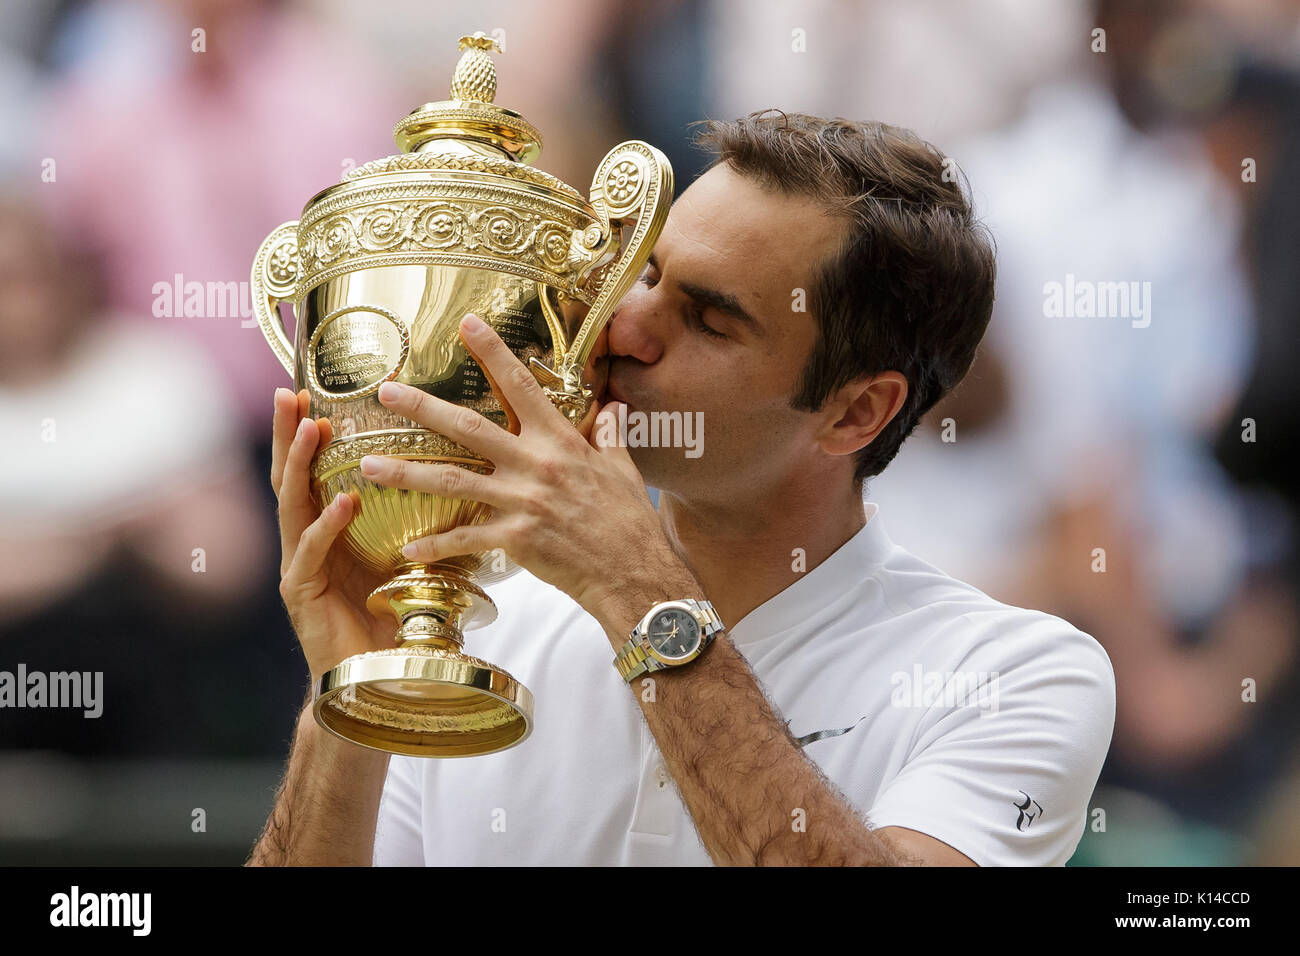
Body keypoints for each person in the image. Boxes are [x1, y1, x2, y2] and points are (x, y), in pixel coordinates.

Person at [246, 111, 1115, 867]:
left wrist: (638, 591)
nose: (624, 327)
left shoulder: (1015, 675)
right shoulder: (486, 627)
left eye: (709, 319)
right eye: (648, 274)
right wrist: (352, 696)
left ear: (855, 413)